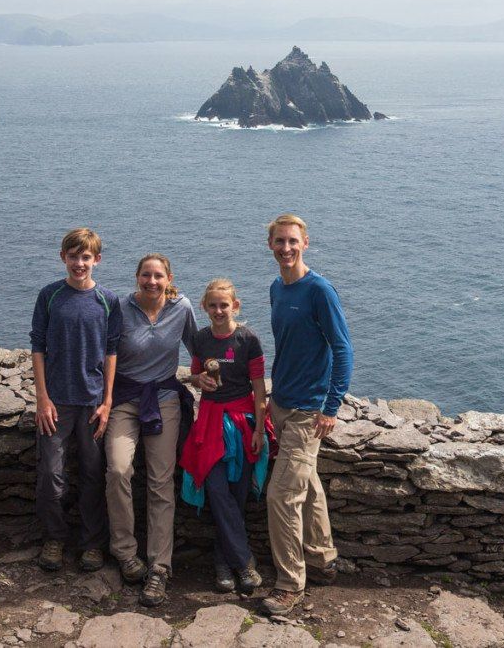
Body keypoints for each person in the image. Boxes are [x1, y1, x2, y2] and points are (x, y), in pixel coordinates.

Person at [262, 214, 353, 616]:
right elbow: (285, 348)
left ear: (306, 243)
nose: (286, 248)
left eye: (293, 241)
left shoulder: (319, 290)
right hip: (282, 404)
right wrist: (270, 397)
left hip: (307, 412)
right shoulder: (277, 289)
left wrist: (331, 407)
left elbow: (343, 349)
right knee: (308, 484)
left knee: (282, 496)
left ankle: (289, 584)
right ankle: (322, 558)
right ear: (271, 245)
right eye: (279, 241)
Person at [105, 253, 198, 607]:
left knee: (161, 480)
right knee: (118, 469)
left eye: (158, 276)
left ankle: (159, 566)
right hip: (125, 398)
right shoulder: (121, 307)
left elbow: (197, 350)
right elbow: (107, 353)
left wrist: (215, 373)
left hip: (163, 398)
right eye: (146, 275)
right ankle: (126, 553)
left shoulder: (182, 307)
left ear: (169, 278)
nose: (152, 281)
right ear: (137, 277)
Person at [30, 227, 122, 573]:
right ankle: (54, 538)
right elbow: (38, 345)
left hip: (92, 402)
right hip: (56, 403)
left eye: (86, 257)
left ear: (97, 260)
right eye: (73, 256)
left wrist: (108, 401)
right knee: (51, 475)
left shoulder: (108, 301)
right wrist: (42, 398)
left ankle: (91, 544)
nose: (79, 263)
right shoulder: (50, 295)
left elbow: (112, 351)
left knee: (92, 475)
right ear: (63, 257)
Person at [179, 278, 273, 595]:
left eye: (224, 305)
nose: (219, 310)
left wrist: (259, 429)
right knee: (217, 492)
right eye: (213, 305)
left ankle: (223, 564)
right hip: (209, 424)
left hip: (243, 424)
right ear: (205, 307)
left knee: (237, 497)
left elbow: (259, 388)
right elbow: (193, 375)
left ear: (235, 305)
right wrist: (197, 379)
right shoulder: (200, 339)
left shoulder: (248, 340)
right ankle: (245, 561)